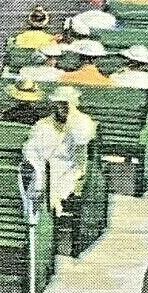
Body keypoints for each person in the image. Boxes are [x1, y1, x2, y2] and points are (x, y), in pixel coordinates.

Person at [22, 85, 97, 215]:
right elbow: (31, 149)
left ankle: (52, 212)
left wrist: (71, 119)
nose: (63, 107)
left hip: (70, 167)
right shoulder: (43, 124)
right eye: (60, 104)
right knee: (38, 181)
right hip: (44, 166)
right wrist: (37, 166)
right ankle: (36, 219)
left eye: (66, 104)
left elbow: (81, 152)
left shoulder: (82, 122)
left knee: (58, 186)